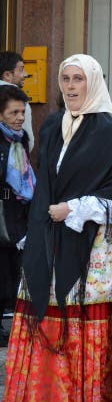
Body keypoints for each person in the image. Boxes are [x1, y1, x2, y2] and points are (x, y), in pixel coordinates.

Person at [1, 54, 112, 402]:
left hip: (91, 240)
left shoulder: (111, 133)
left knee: (81, 317)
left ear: (92, 82)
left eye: (78, 79)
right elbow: (43, 181)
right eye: (65, 79)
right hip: (48, 234)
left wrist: (76, 208)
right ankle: (20, 401)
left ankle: (94, 399)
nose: (71, 86)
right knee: (35, 313)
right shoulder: (50, 128)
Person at [0, 85, 34, 348]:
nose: (20, 117)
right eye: (14, 112)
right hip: (2, 213)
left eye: (22, 111)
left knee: (12, 270)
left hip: (17, 214)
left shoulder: (20, 138)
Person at [0, 51, 33, 150]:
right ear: (7, 75)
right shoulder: (18, 101)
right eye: (21, 70)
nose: (26, 74)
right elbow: (28, 143)